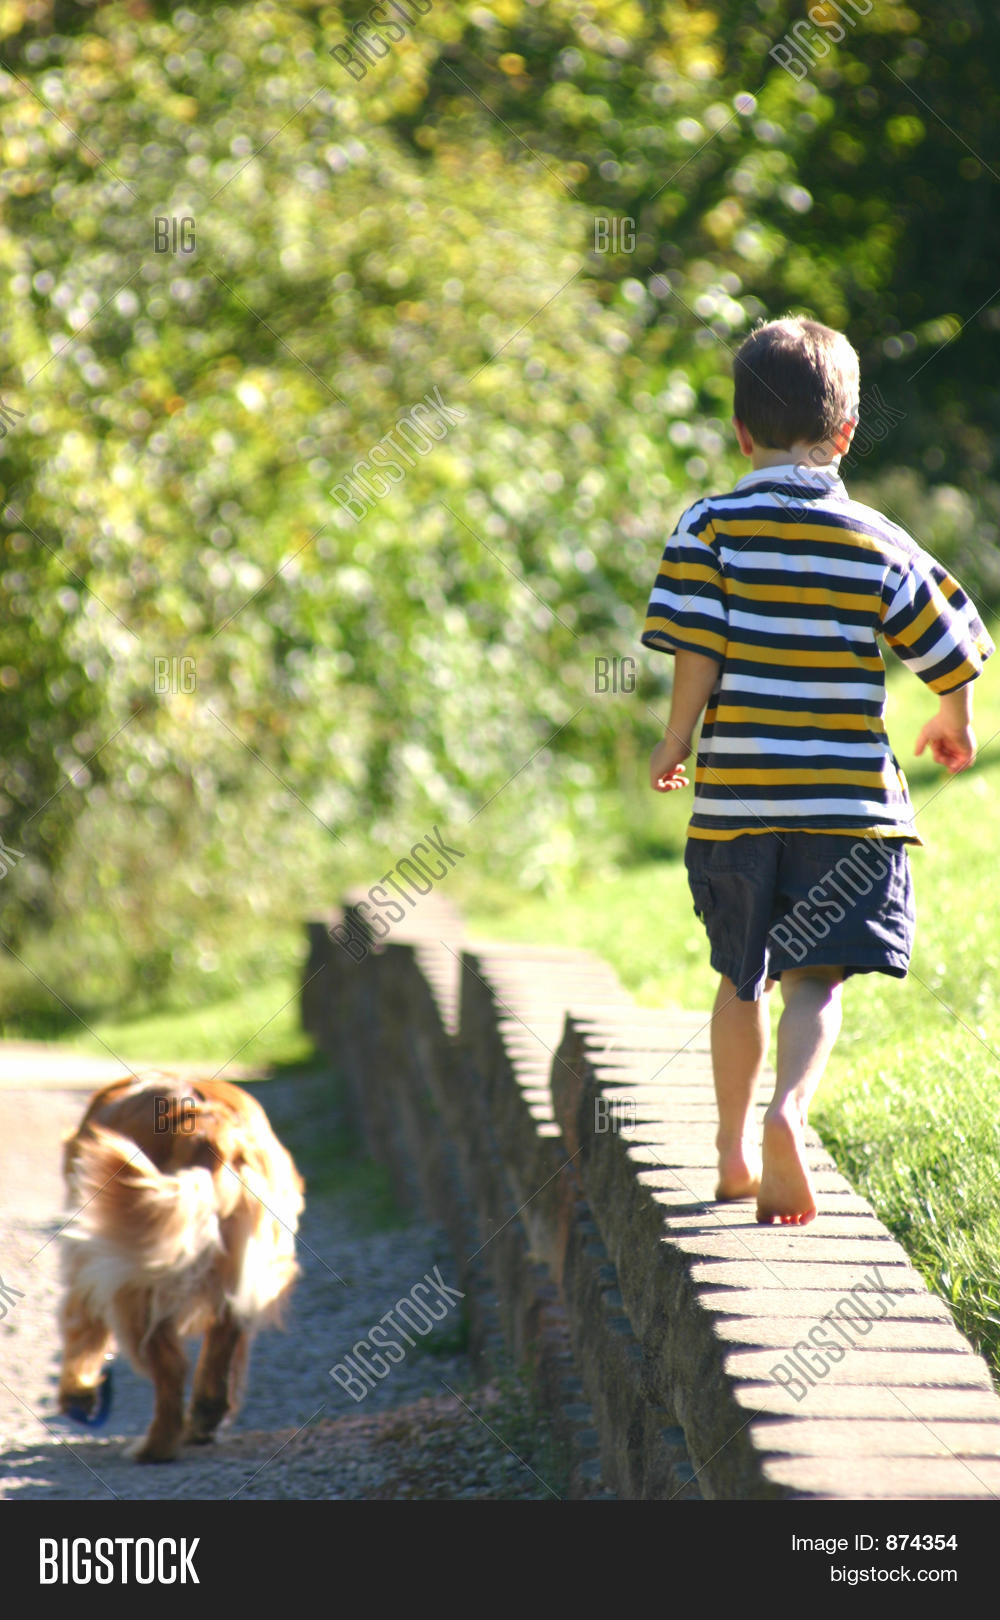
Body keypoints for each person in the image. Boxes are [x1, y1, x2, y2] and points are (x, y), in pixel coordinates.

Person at [640, 315, 994, 1225]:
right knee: (816, 979)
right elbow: (948, 640)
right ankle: (787, 1113)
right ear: (844, 434)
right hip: (846, 807)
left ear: (739, 431)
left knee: (739, 975)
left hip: (739, 807)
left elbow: (696, 647)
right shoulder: (873, 535)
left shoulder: (710, 526)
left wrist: (678, 738)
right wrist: (952, 719)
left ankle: (728, 1156)